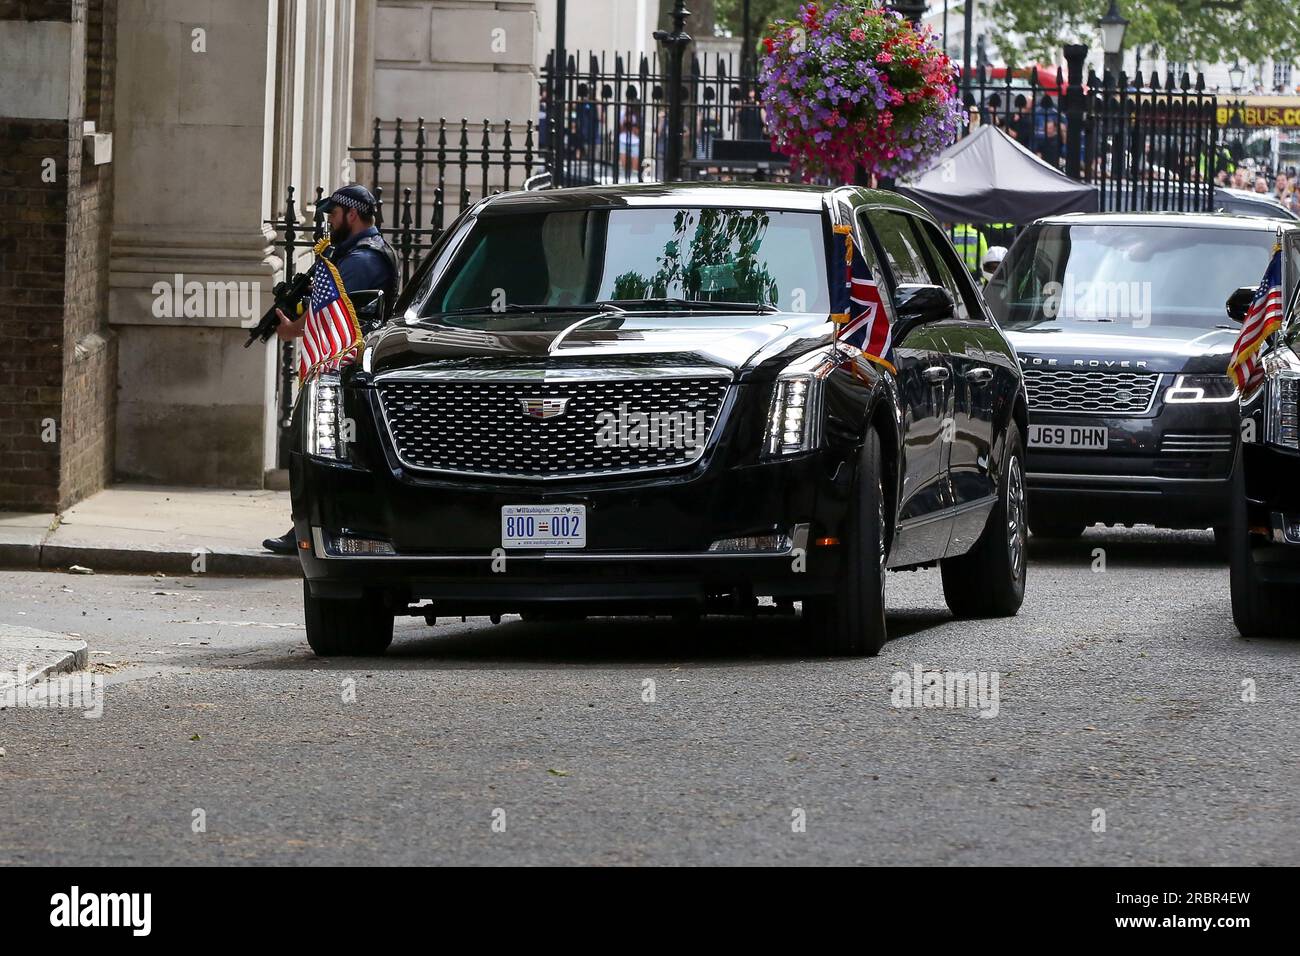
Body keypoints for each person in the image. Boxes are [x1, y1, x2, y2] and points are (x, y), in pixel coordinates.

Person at [262, 183, 399, 555]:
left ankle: (307, 530)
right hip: (342, 368)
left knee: (310, 448)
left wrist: (294, 328)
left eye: (333, 214)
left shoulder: (363, 260)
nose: (328, 222)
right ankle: (311, 527)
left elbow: (333, 314)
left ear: (351, 214)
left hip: (344, 369)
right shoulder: (355, 253)